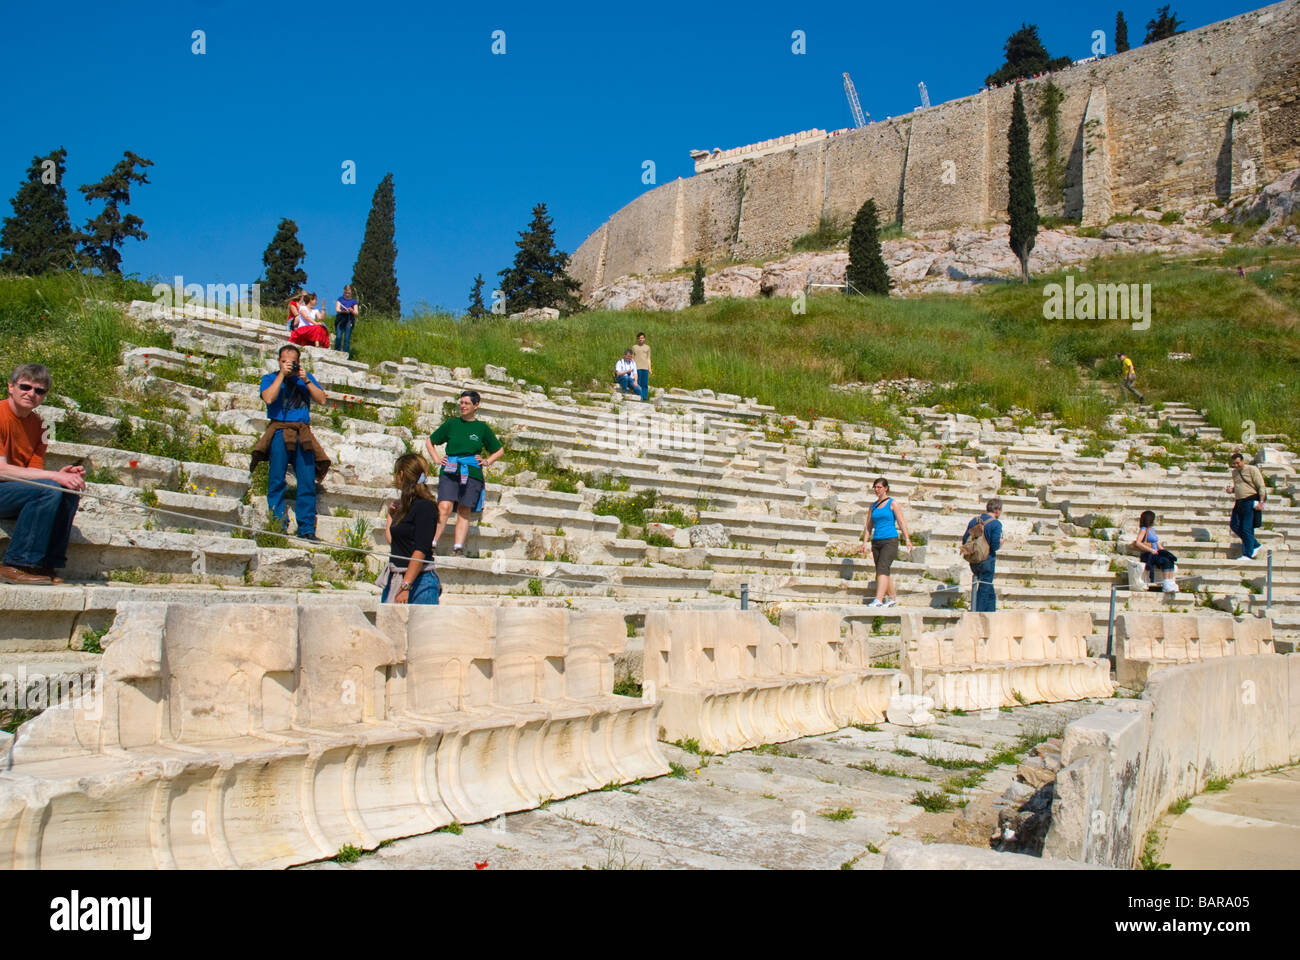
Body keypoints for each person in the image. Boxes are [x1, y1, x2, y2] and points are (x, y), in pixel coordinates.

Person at [0, 364, 85, 585]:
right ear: (11, 387)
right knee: (48, 489)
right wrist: (52, 477)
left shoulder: (42, 426)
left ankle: (45, 563)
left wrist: (59, 475)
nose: (32, 394)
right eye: (25, 387)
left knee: (67, 491)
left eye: (39, 391)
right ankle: (16, 564)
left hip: (13, 491)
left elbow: (35, 473)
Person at [251, 345, 330, 542]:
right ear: (279, 361)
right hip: (279, 430)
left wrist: (305, 379)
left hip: (302, 432)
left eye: (293, 361)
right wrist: (281, 375)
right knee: (277, 478)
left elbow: (321, 400)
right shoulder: (270, 378)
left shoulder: (305, 377)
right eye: (285, 361)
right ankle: (277, 524)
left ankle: (306, 528)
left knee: (306, 480)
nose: (289, 364)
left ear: (299, 362)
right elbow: (269, 398)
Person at [424, 390, 504, 556]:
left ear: (476, 405)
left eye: (466, 403)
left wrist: (487, 461)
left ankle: (458, 547)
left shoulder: (481, 428)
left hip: (472, 472)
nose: (462, 406)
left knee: (464, 509)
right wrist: (437, 459)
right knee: (444, 506)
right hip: (450, 469)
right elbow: (430, 441)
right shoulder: (452, 424)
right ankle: (432, 543)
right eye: (461, 403)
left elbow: (499, 450)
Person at [380, 453, 441, 604]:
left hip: (418, 581)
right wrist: (391, 516)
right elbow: (393, 541)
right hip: (395, 576)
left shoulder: (425, 507)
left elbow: (420, 549)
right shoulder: (403, 507)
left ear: (401, 474)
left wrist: (406, 586)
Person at [861, 477, 912, 608]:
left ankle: (878, 599)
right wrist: (864, 542)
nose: (877, 490)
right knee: (881, 570)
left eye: (879, 487)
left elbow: (901, 521)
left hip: (890, 539)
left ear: (885, 488)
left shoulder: (892, 503)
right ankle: (892, 598)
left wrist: (907, 539)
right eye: (875, 487)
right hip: (876, 540)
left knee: (883, 568)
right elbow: (868, 525)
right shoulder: (872, 506)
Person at [961, 497, 1004, 612]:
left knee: (989, 589)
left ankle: (991, 614)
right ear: (998, 510)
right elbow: (994, 545)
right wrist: (1000, 543)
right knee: (984, 588)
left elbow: (965, 539)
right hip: (987, 559)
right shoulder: (996, 524)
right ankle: (977, 613)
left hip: (974, 558)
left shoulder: (974, 521)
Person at [1227, 451, 1266, 559]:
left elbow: (1261, 486)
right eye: (1234, 463)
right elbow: (1240, 486)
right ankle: (1255, 544)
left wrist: (1261, 502)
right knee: (1234, 525)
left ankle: (1248, 554)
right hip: (1239, 501)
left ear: (1243, 461)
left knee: (1246, 528)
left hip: (1250, 500)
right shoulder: (1234, 472)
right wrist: (1232, 490)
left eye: (1237, 463)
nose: (1236, 465)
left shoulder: (1252, 470)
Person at [1132, 510, 1178, 592]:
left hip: (1155, 553)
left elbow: (1157, 543)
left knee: (1170, 559)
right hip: (1148, 554)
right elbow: (1138, 543)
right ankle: (1166, 584)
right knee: (1165, 561)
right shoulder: (1143, 529)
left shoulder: (1152, 529)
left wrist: (1165, 552)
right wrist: (1151, 550)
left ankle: (1170, 582)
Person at [335, 285, 359, 357]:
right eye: (346, 293)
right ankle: (336, 352)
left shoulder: (354, 301)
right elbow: (337, 309)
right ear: (344, 292)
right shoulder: (340, 299)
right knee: (338, 337)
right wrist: (343, 311)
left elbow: (356, 313)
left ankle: (345, 355)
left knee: (347, 338)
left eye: (349, 293)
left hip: (349, 320)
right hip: (340, 319)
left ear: (351, 293)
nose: (347, 294)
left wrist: (351, 310)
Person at [631, 331, 652, 402]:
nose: (641, 339)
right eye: (639, 338)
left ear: (644, 339)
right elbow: (632, 358)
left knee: (645, 384)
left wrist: (650, 368)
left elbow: (648, 358)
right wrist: (632, 368)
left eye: (642, 338)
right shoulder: (634, 347)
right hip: (637, 368)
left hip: (645, 368)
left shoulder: (647, 347)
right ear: (637, 339)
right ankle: (638, 397)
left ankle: (644, 398)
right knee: (638, 383)